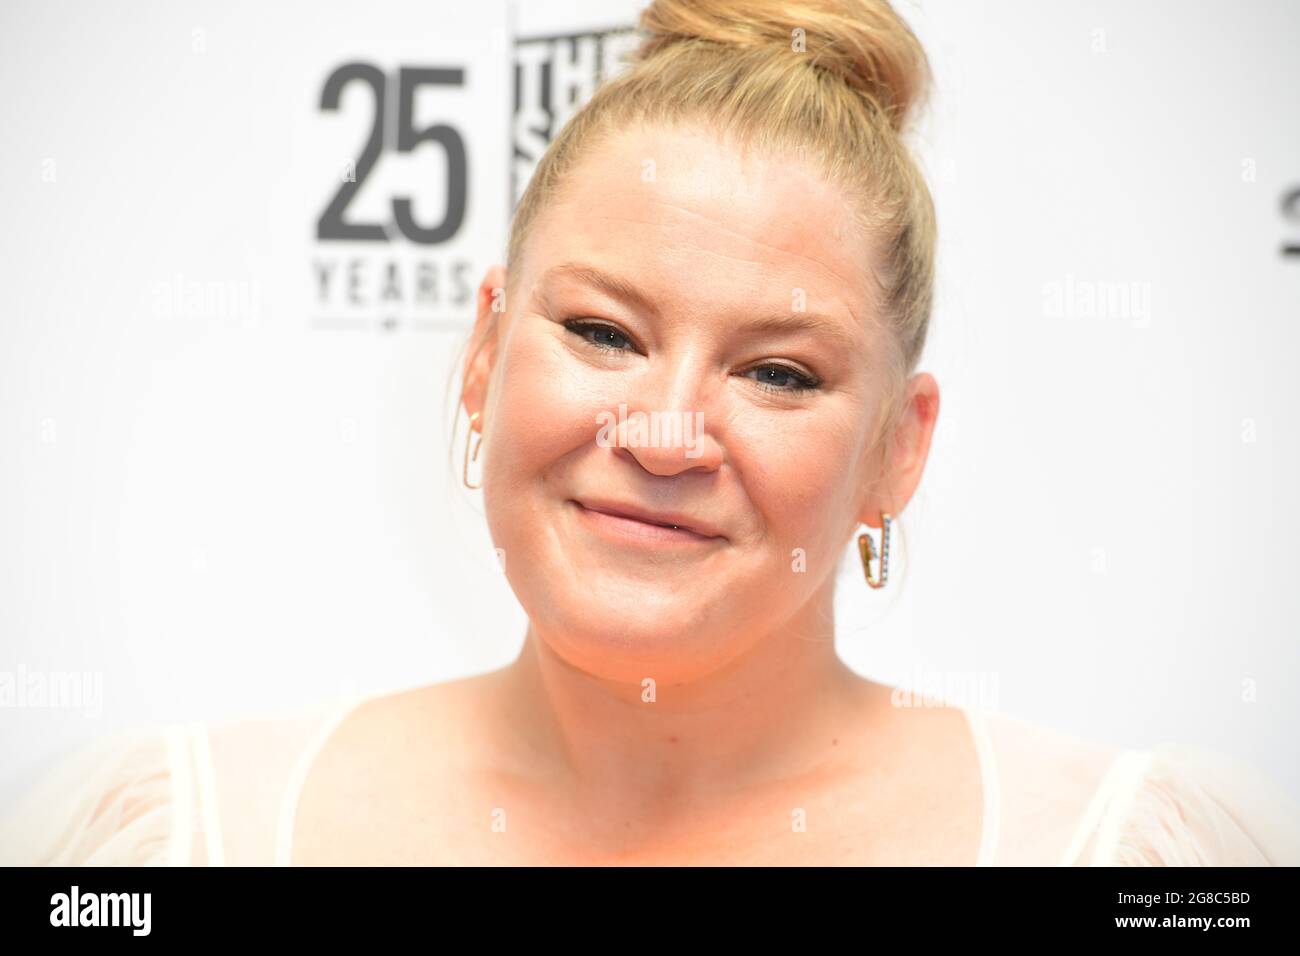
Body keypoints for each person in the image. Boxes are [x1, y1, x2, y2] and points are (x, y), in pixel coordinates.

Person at [3, 0, 1298, 867]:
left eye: (779, 372)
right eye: (606, 334)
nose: (670, 431)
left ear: (900, 452)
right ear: (481, 353)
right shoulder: (175, 840)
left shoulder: (1130, 858)